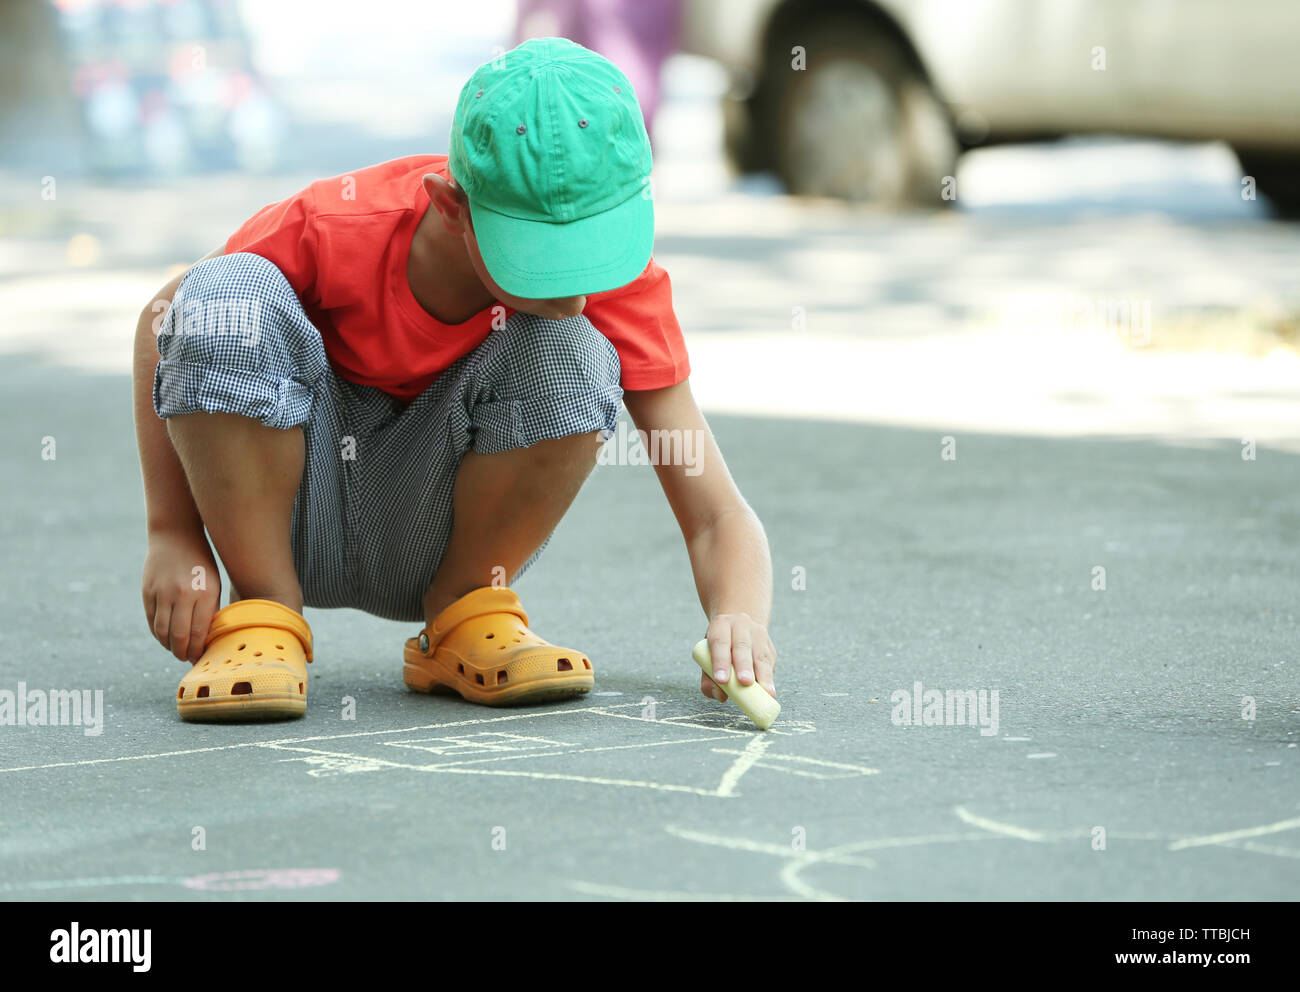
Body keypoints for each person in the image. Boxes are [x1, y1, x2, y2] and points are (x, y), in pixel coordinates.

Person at [134, 37, 776, 721]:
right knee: (225, 294)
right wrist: (173, 532)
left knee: (577, 348)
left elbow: (716, 513)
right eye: (541, 260)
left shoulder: (607, 291)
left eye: (592, 249)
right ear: (450, 205)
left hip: (438, 535)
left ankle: (463, 614)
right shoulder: (341, 223)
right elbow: (166, 315)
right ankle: (264, 613)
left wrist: (740, 618)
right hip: (292, 512)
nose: (577, 292)